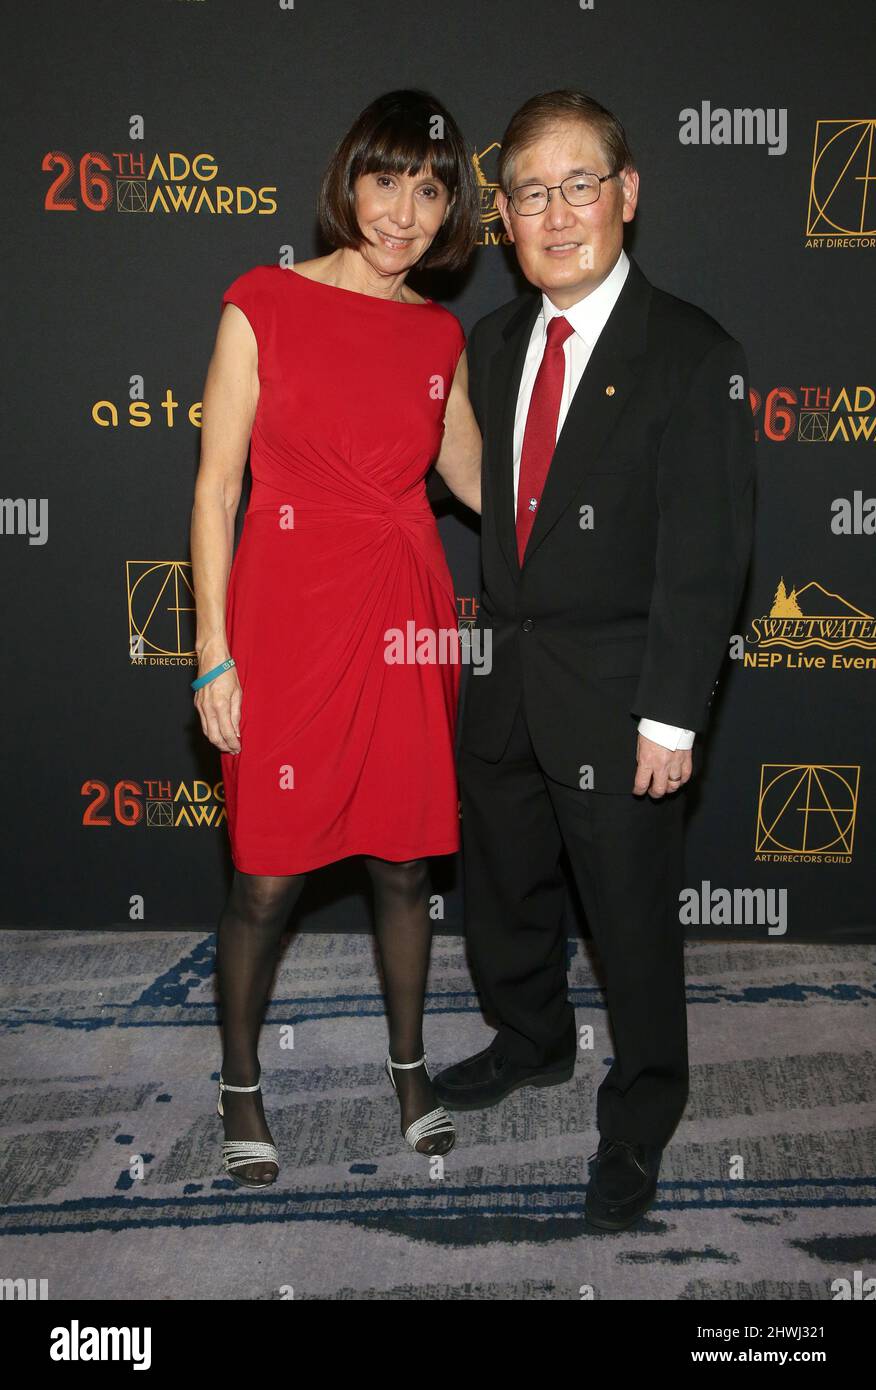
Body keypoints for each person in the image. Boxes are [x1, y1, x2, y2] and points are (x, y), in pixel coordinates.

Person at [433, 90, 756, 1230]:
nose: (557, 212)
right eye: (530, 191)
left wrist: (672, 717)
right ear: (504, 217)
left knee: (630, 927)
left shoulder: (693, 353)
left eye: (581, 184)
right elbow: (487, 495)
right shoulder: (494, 339)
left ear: (628, 195)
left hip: (621, 704)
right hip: (506, 684)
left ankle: (643, 1111)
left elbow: (706, 559)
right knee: (507, 894)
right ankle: (530, 1040)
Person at [190, 90, 481, 1187]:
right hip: (285, 616)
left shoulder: (438, 333)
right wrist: (213, 649)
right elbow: (217, 488)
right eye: (386, 178)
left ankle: (411, 1072)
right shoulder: (261, 301)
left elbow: (474, 482)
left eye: (430, 187)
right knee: (264, 875)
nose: (403, 210)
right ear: (348, 178)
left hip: (405, 615)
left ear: (451, 205)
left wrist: (593, 472)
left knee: (404, 863)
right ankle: (240, 1082)